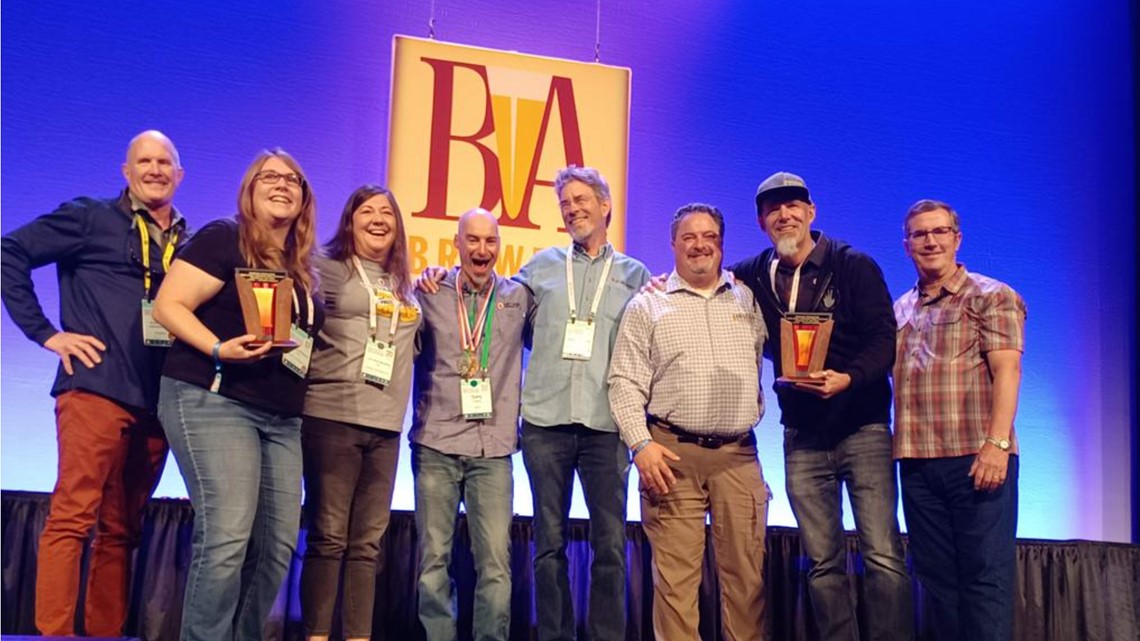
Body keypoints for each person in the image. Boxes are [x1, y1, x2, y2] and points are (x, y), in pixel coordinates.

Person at [417, 166, 650, 641]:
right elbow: (482, 302)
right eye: (565, 204)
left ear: (606, 206)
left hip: (606, 426)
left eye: (582, 200)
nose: (573, 209)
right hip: (545, 425)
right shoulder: (537, 271)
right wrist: (437, 273)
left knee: (610, 545)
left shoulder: (636, 276)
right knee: (549, 545)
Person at [0, 130, 186, 637]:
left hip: (158, 400)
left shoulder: (186, 243)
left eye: (164, 162)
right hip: (95, 388)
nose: (154, 169)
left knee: (122, 529)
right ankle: (56, 635)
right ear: (125, 172)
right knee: (72, 518)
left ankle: (105, 634)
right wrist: (45, 334)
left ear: (179, 174)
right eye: (143, 161)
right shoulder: (89, 217)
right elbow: (9, 251)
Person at [727, 172, 912, 641]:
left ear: (811, 212)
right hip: (802, 438)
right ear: (762, 221)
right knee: (822, 563)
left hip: (863, 428)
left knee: (883, 556)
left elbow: (884, 339)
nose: (784, 215)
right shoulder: (752, 274)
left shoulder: (853, 265)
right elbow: (708, 282)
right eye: (773, 210)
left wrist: (849, 378)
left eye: (793, 206)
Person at [152, 149, 323, 641]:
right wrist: (218, 347)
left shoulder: (304, 268)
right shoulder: (223, 237)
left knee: (276, 549)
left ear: (305, 199)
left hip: (282, 417)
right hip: (214, 399)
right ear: (249, 189)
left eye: (293, 179)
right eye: (269, 177)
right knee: (227, 537)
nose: (282, 184)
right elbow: (169, 305)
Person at [609, 203, 770, 641]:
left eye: (709, 237)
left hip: (739, 457)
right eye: (689, 237)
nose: (700, 245)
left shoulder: (746, 299)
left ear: (721, 244)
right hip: (671, 456)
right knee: (676, 586)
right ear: (674, 244)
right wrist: (640, 445)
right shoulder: (648, 303)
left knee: (747, 582)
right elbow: (623, 381)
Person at [893, 199, 1025, 641]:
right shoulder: (900, 309)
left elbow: (1008, 369)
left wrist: (997, 444)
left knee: (985, 579)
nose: (930, 241)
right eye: (919, 234)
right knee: (937, 583)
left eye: (939, 232)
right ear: (907, 244)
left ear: (956, 238)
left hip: (977, 457)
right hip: (916, 463)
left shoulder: (991, 295)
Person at [300, 185, 421, 641]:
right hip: (330, 417)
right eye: (366, 211)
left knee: (367, 545)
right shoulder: (324, 270)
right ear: (349, 222)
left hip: (386, 427)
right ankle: (314, 634)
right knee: (329, 536)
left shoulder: (408, 286)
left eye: (386, 212)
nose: (377, 218)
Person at [411, 208, 533, 641]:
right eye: (473, 240)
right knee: (433, 561)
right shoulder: (427, 292)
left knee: (496, 566)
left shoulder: (520, 299)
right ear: (457, 244)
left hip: (493, 452)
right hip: (435, 445)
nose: (482, 250)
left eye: (491, 241)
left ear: (499, 246)